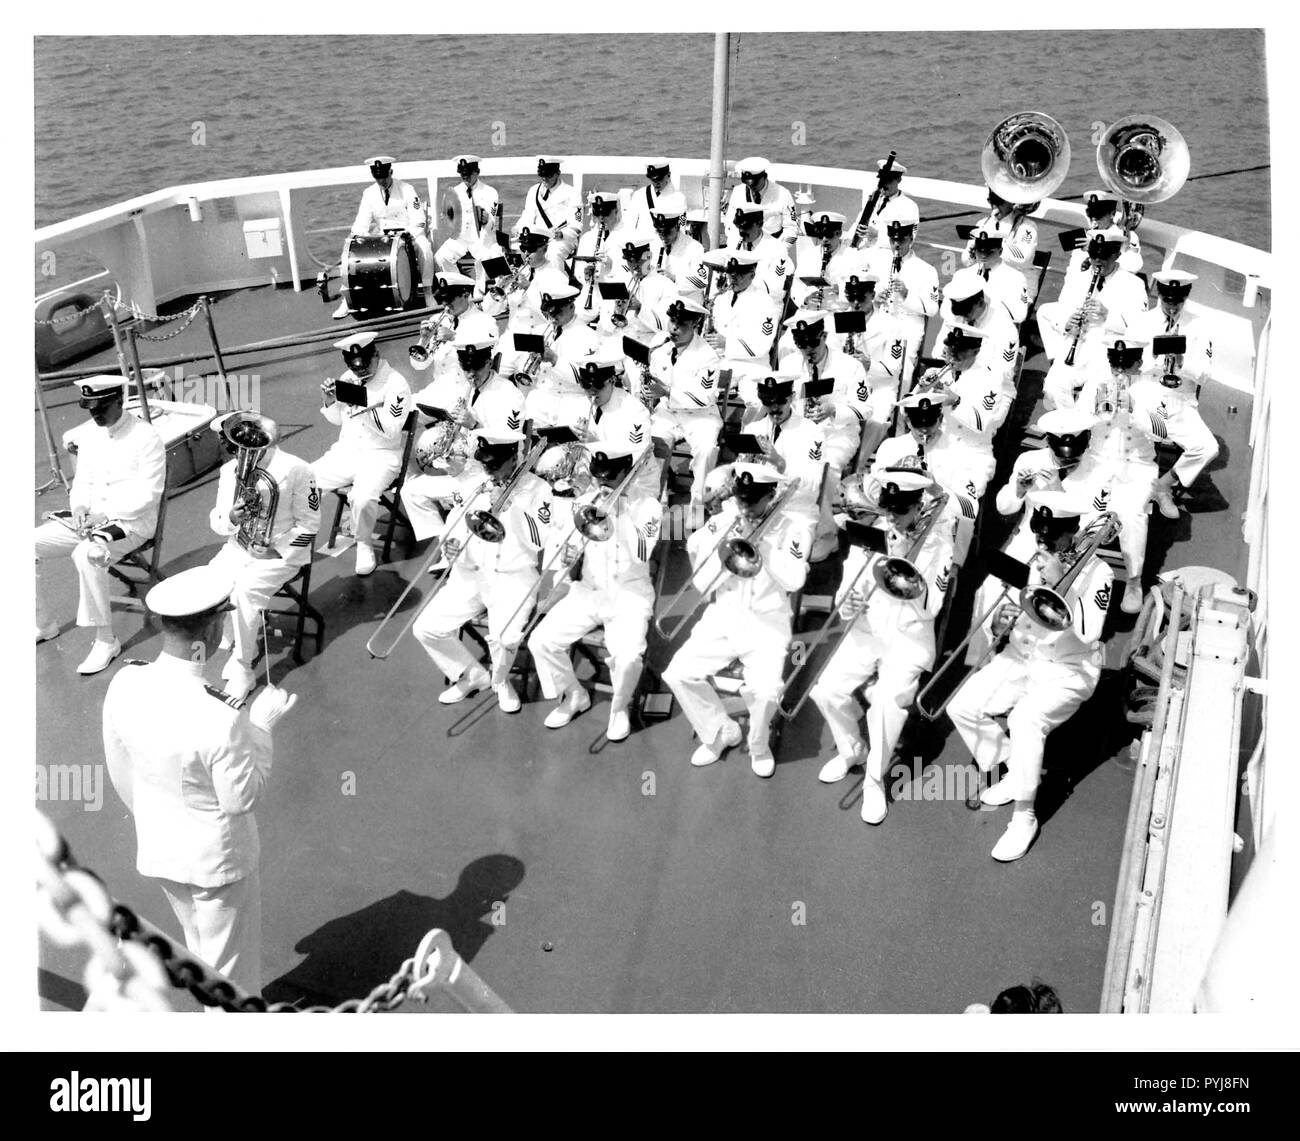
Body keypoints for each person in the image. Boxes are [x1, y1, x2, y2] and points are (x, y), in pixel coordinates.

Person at [101, 565, 297, 999]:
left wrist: (155, 818)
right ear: (210, 631)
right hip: (218, 865)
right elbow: (242, 798)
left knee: (200, 950)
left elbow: (120, 769)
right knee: (234, 980)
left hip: (160, 849)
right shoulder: (220, 718)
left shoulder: (125, 681)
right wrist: (261, 727)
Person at [946, 490, 1112, 862]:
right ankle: (1013, 766)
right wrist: (1000, 622)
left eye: (1052, 539)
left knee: (1025, 719)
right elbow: (1014, 608)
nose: (1043, 545)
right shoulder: (1032, 556)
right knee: (962, 707)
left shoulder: (1100, 572)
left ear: (1073, 532)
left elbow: (1089, 632)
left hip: (1069, 671)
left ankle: (1024, 817)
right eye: (1039, 537)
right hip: (1025, 657)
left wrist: (1056, 580)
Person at [809, 470, 954, 824]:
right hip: (867, 629)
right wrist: (849, 604)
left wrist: (909, 568)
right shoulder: (868, 538)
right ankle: (852, 749)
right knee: (824, 691)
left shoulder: (939, 546)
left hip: (908, 641)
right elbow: (844, 594)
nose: (892, 518)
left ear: (918, 507)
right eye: (888, 510)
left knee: (886, 706)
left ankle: (875, 778)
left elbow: (931, 608)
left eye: (900, 512)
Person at [662, 464, 808, 778]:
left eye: (752, 501)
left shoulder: (793, 529)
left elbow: (795, 580)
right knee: (678, 673)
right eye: (740, 499)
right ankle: (719, 731)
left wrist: (763, 546)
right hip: (723, 615)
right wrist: (720, 550)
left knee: (767, 692)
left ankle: (759, 744)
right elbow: (701, 583)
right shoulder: (722, 523)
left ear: (770, 495)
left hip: (767, 623)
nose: (744, 507)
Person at [528, 441, 661, 742]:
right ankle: (574, 695)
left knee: (627, 658)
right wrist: (566, 554)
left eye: (610, 478)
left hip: (630, 595)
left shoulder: (648, 506)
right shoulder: (584, 502)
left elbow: (642, 552)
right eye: (598, 477)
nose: (602, 483)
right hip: (588, 591)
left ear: (626, 473)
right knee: (541, 642)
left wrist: (618, 513)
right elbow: (565, 547)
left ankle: (620, 708)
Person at [413, 429, 552, 714]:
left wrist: (515, 507)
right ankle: (471, 675)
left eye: (494, 464)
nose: (488, 469)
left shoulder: (539, 490)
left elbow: (540, 541)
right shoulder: (476, 484)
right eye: (485, 463)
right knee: (426, 628)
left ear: (514, 457)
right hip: (471, 573)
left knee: (504, 638)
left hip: (513, 578)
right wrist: (449, 546)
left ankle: (501, 681)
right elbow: (453, 524)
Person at [36, 376, 166, 675]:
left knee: (88, 554)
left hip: (131, 522)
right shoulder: (91, 435)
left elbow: (149, 494)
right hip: (90, 521)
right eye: (89, 408)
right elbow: (82, 482)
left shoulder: (146, 437)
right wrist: (79, 507)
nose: (95, 415)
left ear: (119, 400)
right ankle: (43, 624)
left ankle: (106, 640)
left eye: (101, 407)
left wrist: (103, 515)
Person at [206, 411, 321, 701]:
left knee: (245, 589)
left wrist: (276, 549)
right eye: (234, 447)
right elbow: (218, 521)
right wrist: (231, 517)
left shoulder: (298, 469)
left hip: (281, 556)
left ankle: (244, 666)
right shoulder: (228, 471)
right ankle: (242, 641)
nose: (239, 454)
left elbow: (311, 525)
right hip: (239, 547)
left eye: (243, 447)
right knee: (210, 579)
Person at [1062, 332, 1169, 614]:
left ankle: (1134, 581)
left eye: (1126, 365)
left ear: (1139, 362)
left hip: (1137, 468)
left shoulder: (1154, 389)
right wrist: (1095, 414)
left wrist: (1134, 408)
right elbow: (1076, 422)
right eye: (1115, 365)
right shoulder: (1096, 383)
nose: (1119, 371)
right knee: (1076, 508)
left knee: (1132, 516)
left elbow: (1163, 433)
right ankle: (1070, 573)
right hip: (1096, 463)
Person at [401, 316, 524, 564]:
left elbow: (511, 447)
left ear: (489, 362)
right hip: (462, 467)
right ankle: (442, 545)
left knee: (461, 505)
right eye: (465, 368)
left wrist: (474, 425)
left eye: (476, 368)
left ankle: (454, 555)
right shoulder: (461, 387)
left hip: (490, 473)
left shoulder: (509, 394)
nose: (471, 374)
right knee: (410, 491)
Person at [309, 332, 411, 576]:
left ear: (376, 355)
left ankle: (363, 543)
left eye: (365, 365)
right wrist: (330, 401)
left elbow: (392, 430)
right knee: (305, 478)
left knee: (363, 497)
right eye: (355, 368)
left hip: (381, 456)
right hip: (347, 452)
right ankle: (299, 536)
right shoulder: (348, 377)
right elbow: (337, 420)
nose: (360, 371)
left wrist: (363, 409)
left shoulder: (396, 385)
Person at [1131, 269, 1220, 517]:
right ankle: (1138, 483)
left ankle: (1163, 486)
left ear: (1185, 297)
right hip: (1147, 390)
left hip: (1180, 398)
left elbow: (1204, 374)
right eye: (1167, 299)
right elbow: (1128, 364)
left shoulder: (1200, 326)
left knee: (1207, 447)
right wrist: (1156, 359)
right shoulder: (1142, 322)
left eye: (1178, 300)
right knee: (1148, 430)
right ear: (1159, 294)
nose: (1172, 305)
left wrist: (1183, 363)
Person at [1039, 226, 1148, 409]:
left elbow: (1139, 329)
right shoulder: (1078, 279)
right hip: (1078, 348)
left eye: (1104, 256)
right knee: (1053, 387)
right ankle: (1072, 431)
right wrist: (1067, 322)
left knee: (1090, 400)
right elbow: (1061, 309)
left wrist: (1108, 315)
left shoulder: (1133, 284)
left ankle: (1079, 428)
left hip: (1109, 354)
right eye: (1093, 255)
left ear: (1116, 255)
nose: (1097, 261)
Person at [646, 296, 724, 510]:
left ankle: (698, 506)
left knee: (707, 449)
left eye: (681, 325)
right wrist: (650, 392)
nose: (674, 329)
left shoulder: (708, 356)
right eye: (672, 322)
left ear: (694, 325)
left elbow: (704, 397)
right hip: (668, 413)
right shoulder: (661, 349)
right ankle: (653, 503)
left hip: (700, 416)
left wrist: (667, 392)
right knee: (650, 441)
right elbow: (654, 383)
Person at [334, 155, 434, 318]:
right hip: (382, 237)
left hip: (408, 234)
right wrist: (357, 237)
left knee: (426, 249)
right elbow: (361, 222)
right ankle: (347, 300)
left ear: (391, 172)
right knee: (350, 256)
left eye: (385, 176)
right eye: (378, 177)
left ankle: (428, 293)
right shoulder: (369, 193)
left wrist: (408, 235)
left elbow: (419, 219)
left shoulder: (407, 189)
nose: (382, 181)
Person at [702, 249, 781, 409]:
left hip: (752, 366)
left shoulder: (766, 303)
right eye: (731, 274)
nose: (734, 279)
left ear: (752, 274)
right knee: (697, 387)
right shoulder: (720, 299)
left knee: (756, 401)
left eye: (740, 275)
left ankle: (756, 434)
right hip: (723, 362)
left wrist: (726, 343)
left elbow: (762, 347)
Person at [868, 200, 941, 371]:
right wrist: (875, 297)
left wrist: (907, 294)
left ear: (910, 238)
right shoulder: (878, 262)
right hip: (879, 324)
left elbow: (932, 309)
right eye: (893, 240)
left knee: (902, 373)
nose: (897, 245)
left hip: (907, 330)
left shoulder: (926, 270)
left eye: (901, 239)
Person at [936, 268, 1021, 389]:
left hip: (990, 388)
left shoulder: (1004, 328)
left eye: (967, 312)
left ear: (981, 303)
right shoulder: (958, 317)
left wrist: (968, 365)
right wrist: (948, 355)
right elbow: (941, 350)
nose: (964, 317)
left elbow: (1004, 373)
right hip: (957, 377)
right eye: (961, 313)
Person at [964, 188, 1041, 302]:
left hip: (1020, 289)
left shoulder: (1027, 227)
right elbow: (966, 261)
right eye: (992, 202)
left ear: (1011, 202)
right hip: (989, 284)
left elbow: (1023, 257)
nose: (995, 207)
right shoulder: (982, 224)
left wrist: (992, 243)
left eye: (1000, 202)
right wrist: (972, 255)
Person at [408, 271, 489, 377]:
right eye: (442, 299)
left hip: (468, 385)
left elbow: (482, 359)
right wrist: (424, 340)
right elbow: (419, 366)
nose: (445, 304)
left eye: (449, 299)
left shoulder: (483, 320)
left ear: (466, 295)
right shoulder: (437, 319)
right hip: (440, 384)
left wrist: (454, 337)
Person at [433, 155, 502, 276]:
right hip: (461, 238)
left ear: (477, 172)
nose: (466, 178)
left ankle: (480, 291)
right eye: (463, 175)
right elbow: (447, 218)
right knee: (441, 257)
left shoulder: (490, 192)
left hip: (482, 238)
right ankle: (459, 285)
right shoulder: (453, 192)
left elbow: (493, 219)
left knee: (487, 258)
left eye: (469, 174)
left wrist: (486, 220)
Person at [790, 210, 872, 310]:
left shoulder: (854, 257)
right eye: (821, 235)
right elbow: (797, 286)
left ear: (839, 233)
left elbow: (863, 291)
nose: (824, 239)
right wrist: (806, 299)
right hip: (811, 313)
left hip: (839, 313)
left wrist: (838, 289)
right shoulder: (807, 255)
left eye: (829, 234)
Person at [512, 155, 582, 270]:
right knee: (522, 251)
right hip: (537, 238)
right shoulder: (534, 190)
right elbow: (527, 215)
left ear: (557, 173)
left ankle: (555, 284)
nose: (544, 179)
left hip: (560, 238)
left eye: (548, 175)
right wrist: (517, 227)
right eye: (542, 175)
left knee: (553, 254)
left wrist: (562, 233)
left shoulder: (571, 193)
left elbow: (576, 225)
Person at [727, 201, 794, 300]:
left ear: (760, 224)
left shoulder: (777, 249)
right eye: (739, 226)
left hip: (763, 304)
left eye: (746, 226)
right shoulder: (733, 242)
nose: (741, 231)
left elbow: (777, 291)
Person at [724, 156, 798, 244]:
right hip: (744, 243)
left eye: (755, 183)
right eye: (747, 183)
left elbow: (791, 229)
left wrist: (781, 249)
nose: (751, 186)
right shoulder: (738, 192)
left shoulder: (783, 194)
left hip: (773, 245)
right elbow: (730, 223)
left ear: (764, 177)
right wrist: (735, 245)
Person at [966, 228, 1030, 325]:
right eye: (980, 251)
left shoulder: (1015, 278)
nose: (983, 255)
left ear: (1000, 252)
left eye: (989, 252)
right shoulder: (967, 274)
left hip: (996, 329)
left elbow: (1020, 315)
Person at [647, 203, 708, 302]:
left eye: (667, 232)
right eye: (660, 232)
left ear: (677, 226)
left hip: (684, 305)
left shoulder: (694, 248)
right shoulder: (653, 244)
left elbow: (701, 282)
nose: (663, 237)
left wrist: (674, 278)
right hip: (661, 302)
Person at [854, 158, 915, 250]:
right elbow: (858, 224)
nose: (884, 185)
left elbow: (908, 241)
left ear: (899, 180)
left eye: (889, 180)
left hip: (885, 253)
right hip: (863, 249)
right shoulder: (874, 199)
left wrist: (877, 235)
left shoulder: (908, 206)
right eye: (882, 181)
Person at [625, 158, 687, 234]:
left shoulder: (679, 198)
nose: (656, 183)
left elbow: (681, 227)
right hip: (642, 243)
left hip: (666, 242)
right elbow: (630, 224)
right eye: (653, 179)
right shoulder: (639, 195)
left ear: (668, 175)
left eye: (659, 179)